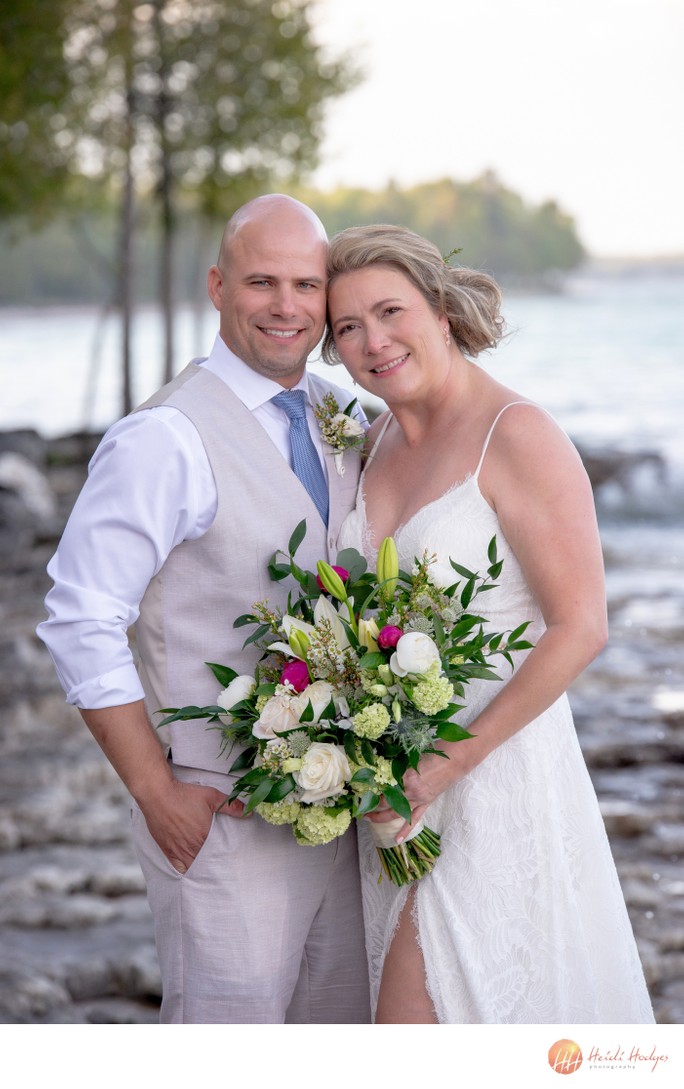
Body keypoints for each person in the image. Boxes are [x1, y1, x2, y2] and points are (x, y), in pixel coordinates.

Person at [37, 194, 371, 1025]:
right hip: (219, 816)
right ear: (219, 286)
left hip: (347, 814)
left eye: (306, 283)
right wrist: (156, 790)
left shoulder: (348, 415)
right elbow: (80, 617)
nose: (287, 306)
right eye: (263, 281)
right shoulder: (164, 438)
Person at [324, 223, 655, 1025]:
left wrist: (442, 766)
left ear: (441, 310)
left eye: (391, 310)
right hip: (394, 792)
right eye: (347, 328)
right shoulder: (372, 441)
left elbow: (581, 627)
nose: (374, 341)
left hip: (492, 777)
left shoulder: (521, 436)